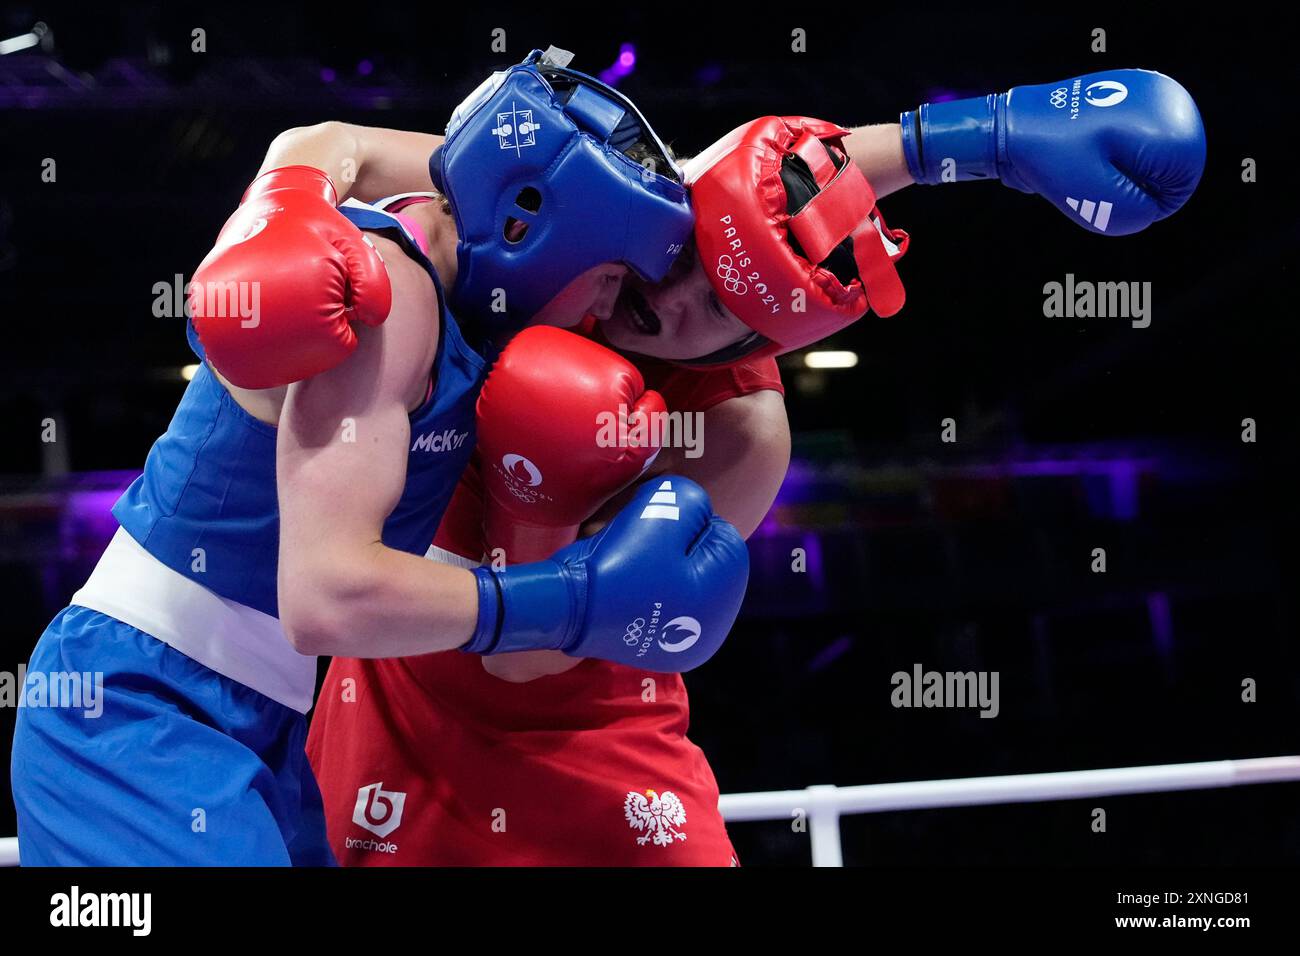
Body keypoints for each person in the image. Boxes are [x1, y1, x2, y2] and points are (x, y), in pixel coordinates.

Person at [303, 67, 1206, 864]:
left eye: (721, 306)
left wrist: (538, 473)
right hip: (396, 687)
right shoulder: (577, 215)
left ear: (757, 339)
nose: (672, 301)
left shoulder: (741, 436)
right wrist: (985, 137)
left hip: (584, 720)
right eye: (691, 256)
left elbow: (529, 665)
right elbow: (332, 147)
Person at [9, 48, 751, 866]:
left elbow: (328, 137)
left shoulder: (467, 222)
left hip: (252, 712)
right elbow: (326, 596)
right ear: (532, 231)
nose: (612, 307)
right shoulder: (391, 297)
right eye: (611, 277)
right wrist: (568, 599)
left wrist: (920, 149)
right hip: (142, 702)